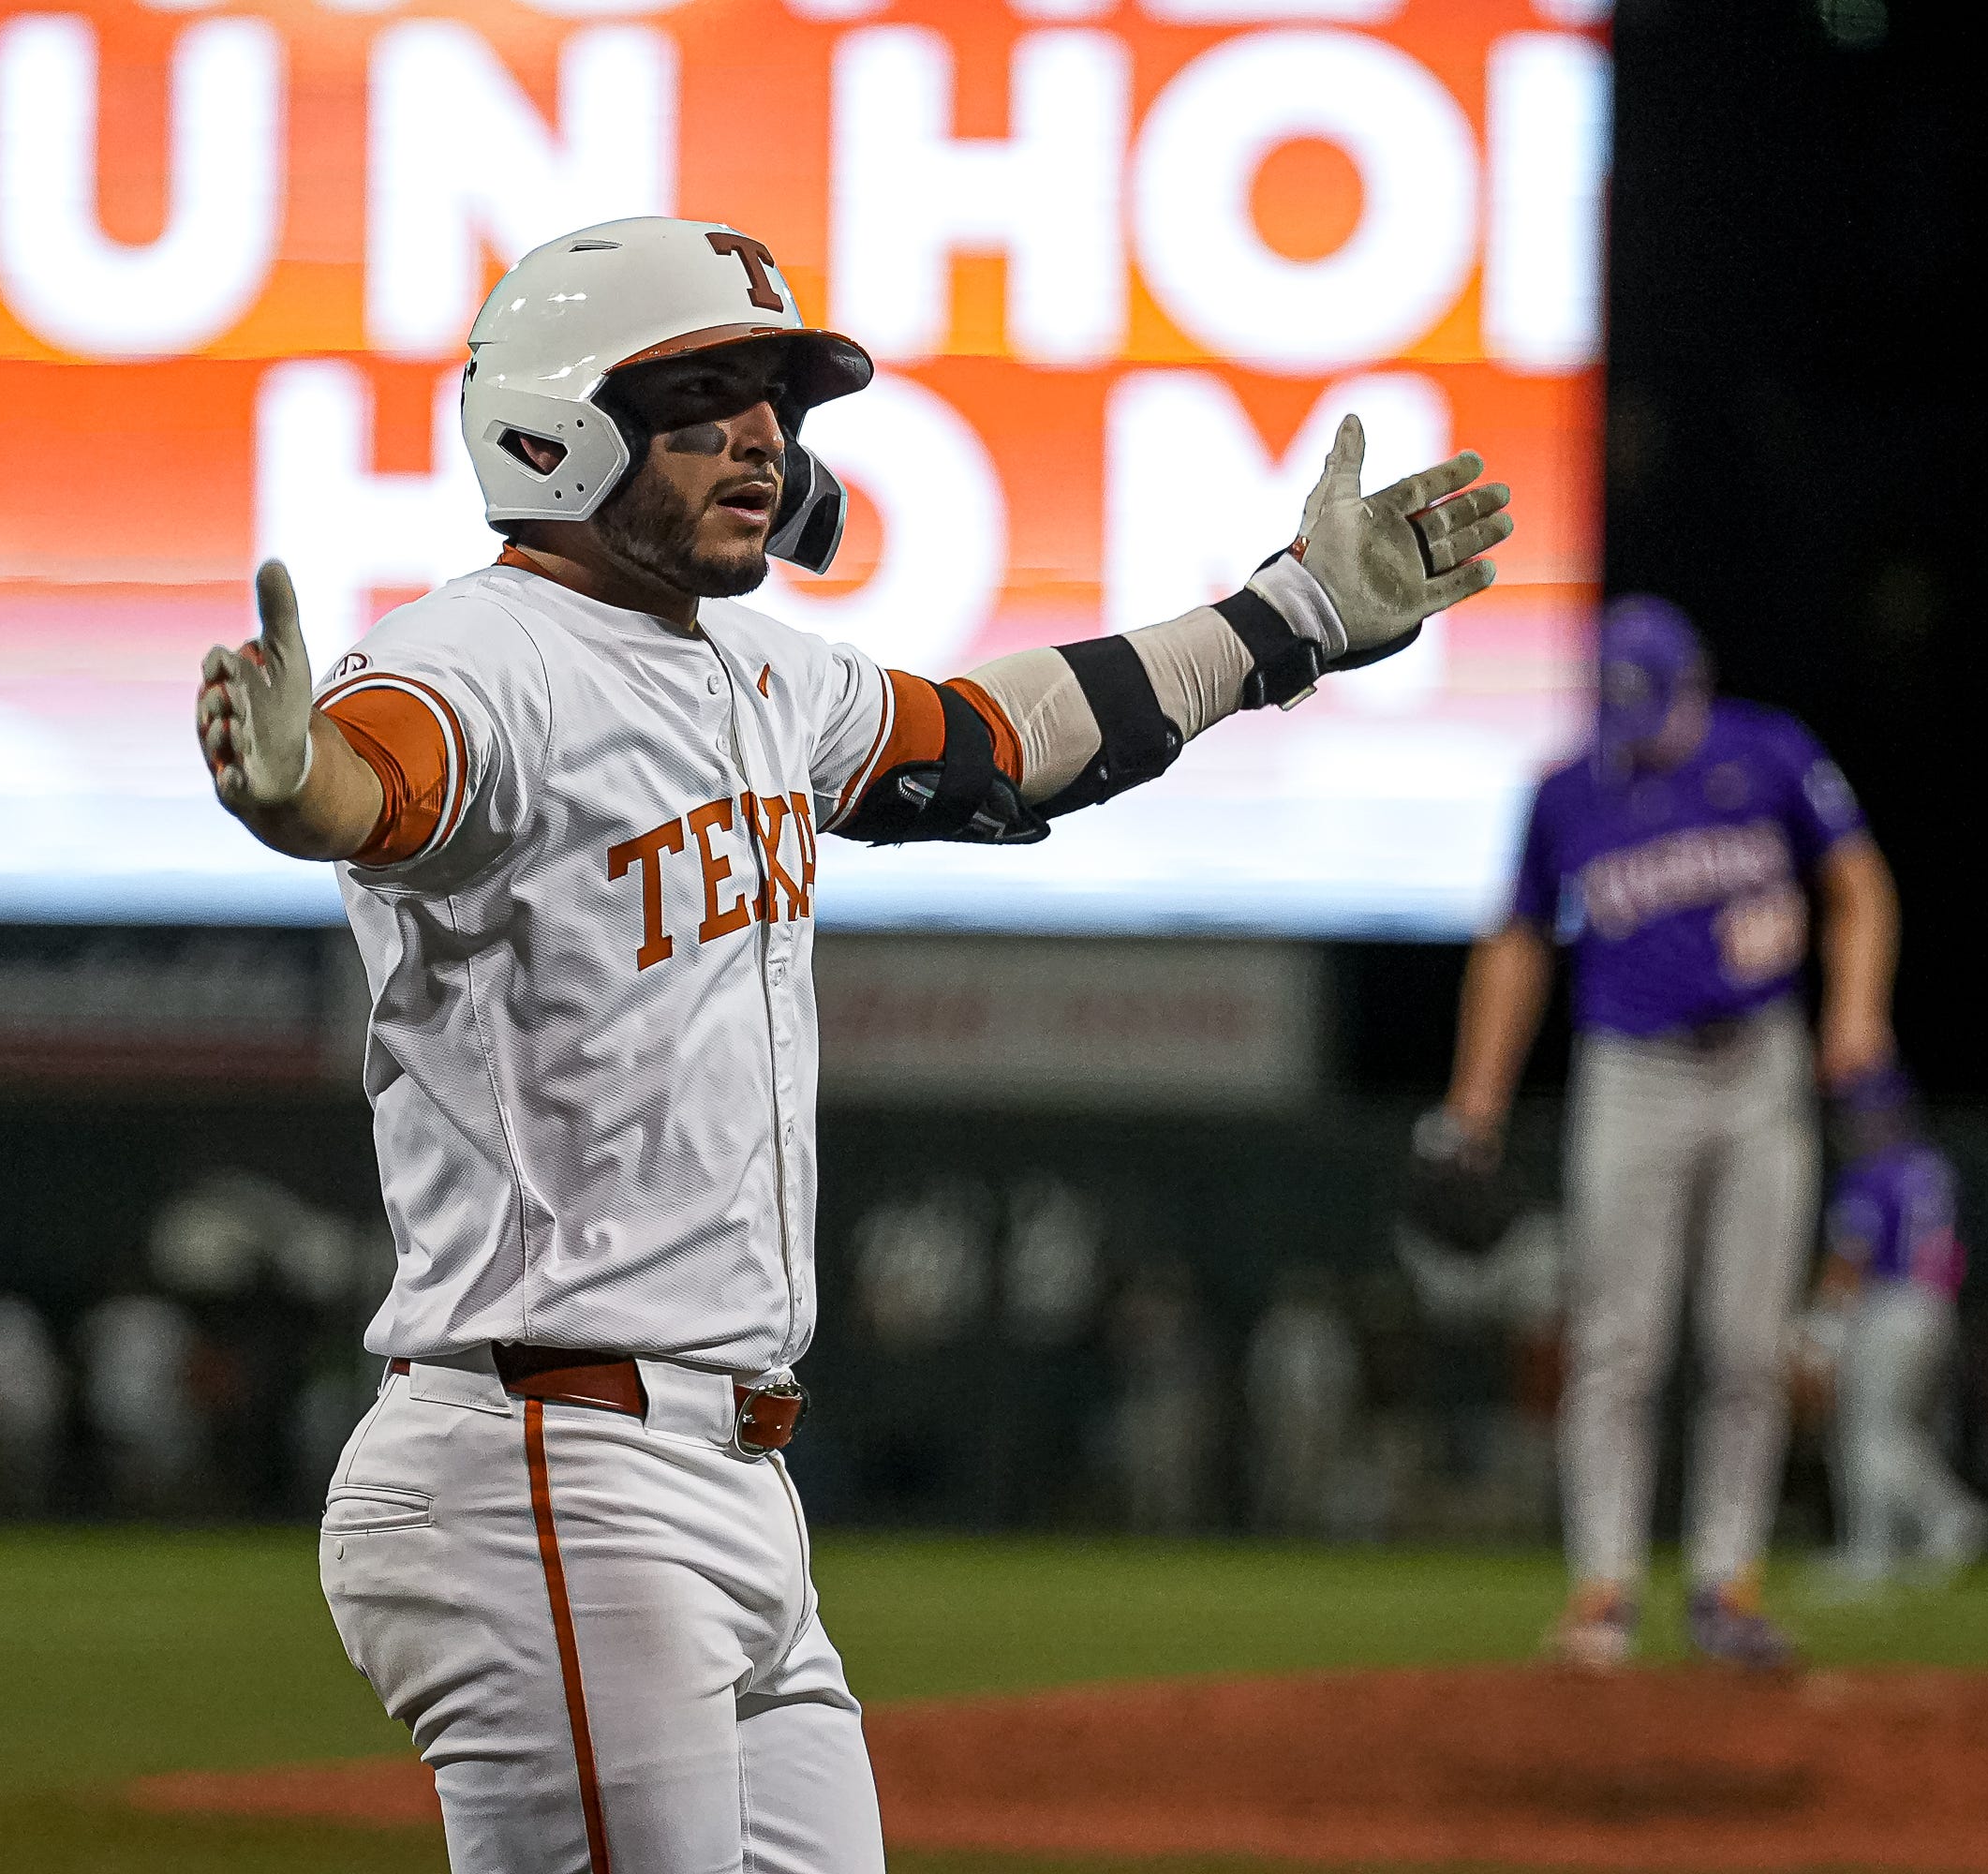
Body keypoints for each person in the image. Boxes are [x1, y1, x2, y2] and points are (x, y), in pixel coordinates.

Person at [192, 215, 1514, 1872]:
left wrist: (1295, 612)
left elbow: (1010, 741)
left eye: (782, 402)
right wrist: (284, 785)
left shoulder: (758, 674)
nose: (767, 435)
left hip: (726, 1480)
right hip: (547, 1464)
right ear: (558, 426)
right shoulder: (480, 658)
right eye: (714, 394)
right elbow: (373, 780)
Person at [1437, 594, 1898, 1671]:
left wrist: (1857, 1008)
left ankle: (1726, 1583)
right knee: (1617, 1343)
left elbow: (1860, 886)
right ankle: (1603, 1588)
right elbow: (1516, 941)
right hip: (1631, 1070)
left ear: (1694, 686)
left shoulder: (1769, 751)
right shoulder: (1566, 790)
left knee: (1748, 1343)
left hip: (1758, 1064)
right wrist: (1475, 1100)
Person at [1806, 1063, 1988, 1592]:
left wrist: (1822, 1325)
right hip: (1933, 1305)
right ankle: (1941, 1521)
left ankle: (1881, 1550)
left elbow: (1852, 1255)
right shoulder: (1931, 1167)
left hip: (1891, 1306)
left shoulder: (1872, 1173)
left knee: (1870, 1433)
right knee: (1895, 1432)